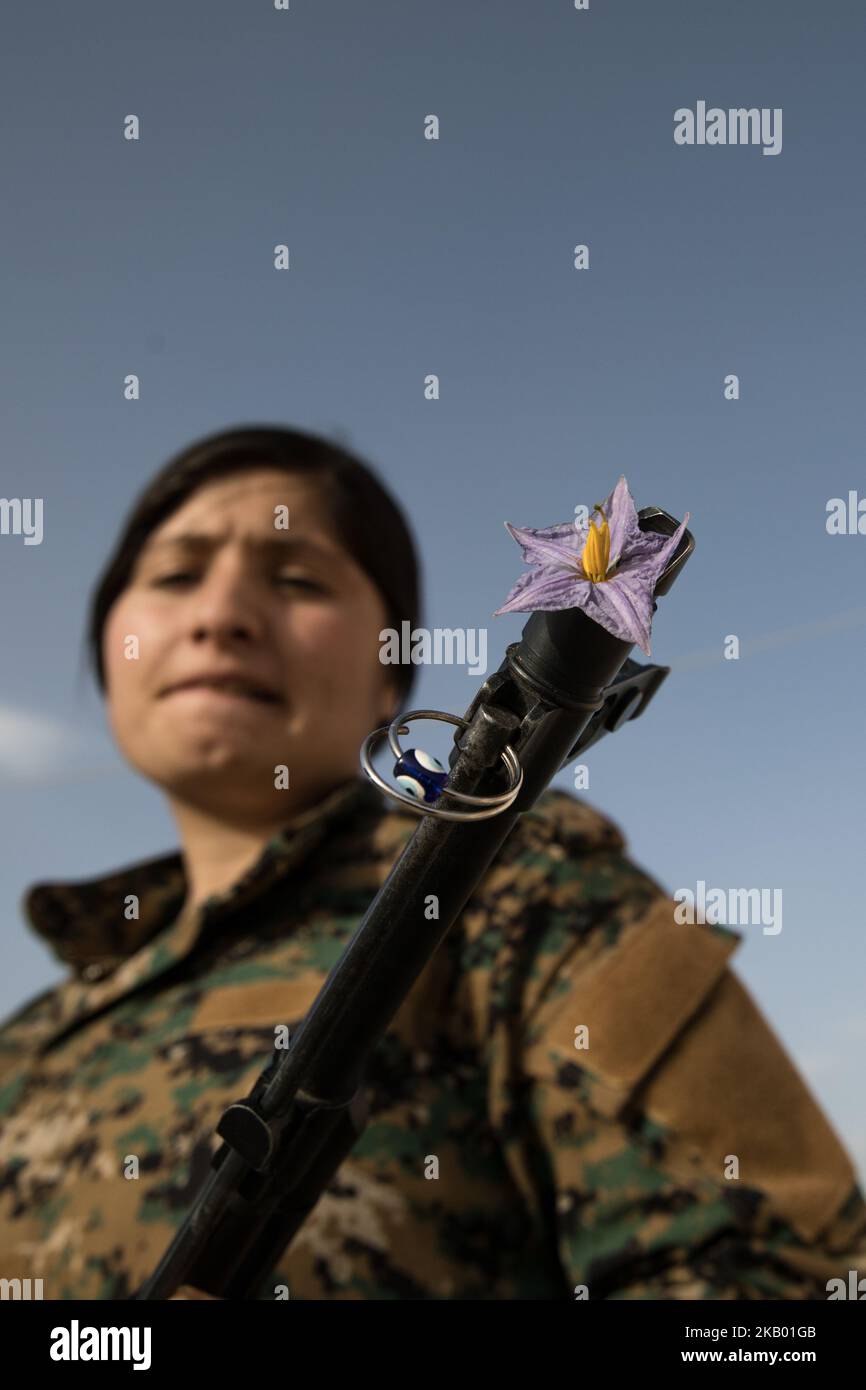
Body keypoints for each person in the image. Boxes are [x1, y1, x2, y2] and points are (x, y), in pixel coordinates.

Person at [0, 424, 863, 1301]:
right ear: (108, 639)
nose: (222, 615)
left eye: (297, 579)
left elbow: (785, 1304)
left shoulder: (518, 893)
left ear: (391, 671)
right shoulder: (29, 1043)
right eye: (176, 575)